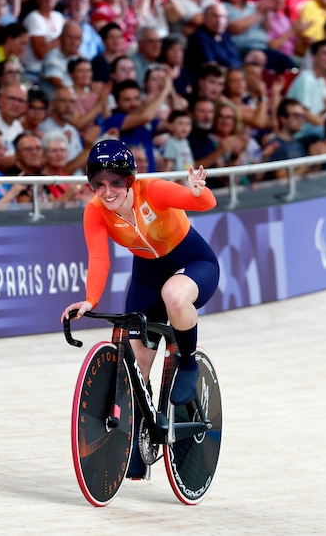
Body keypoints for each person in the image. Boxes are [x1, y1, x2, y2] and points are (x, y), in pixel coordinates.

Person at [60, 139, 219, 476]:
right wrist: (90, 301)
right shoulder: (95, 211)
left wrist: (197, 191)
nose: (107, 191)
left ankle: (188, 363)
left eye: (115, 182)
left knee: (174, 296)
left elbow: (203, 202)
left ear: (130, 179)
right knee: (136, 367)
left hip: (193, 262)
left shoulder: (154, 190)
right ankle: (137, 438)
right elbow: (99, 258)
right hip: (146, 276)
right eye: (98, 183)